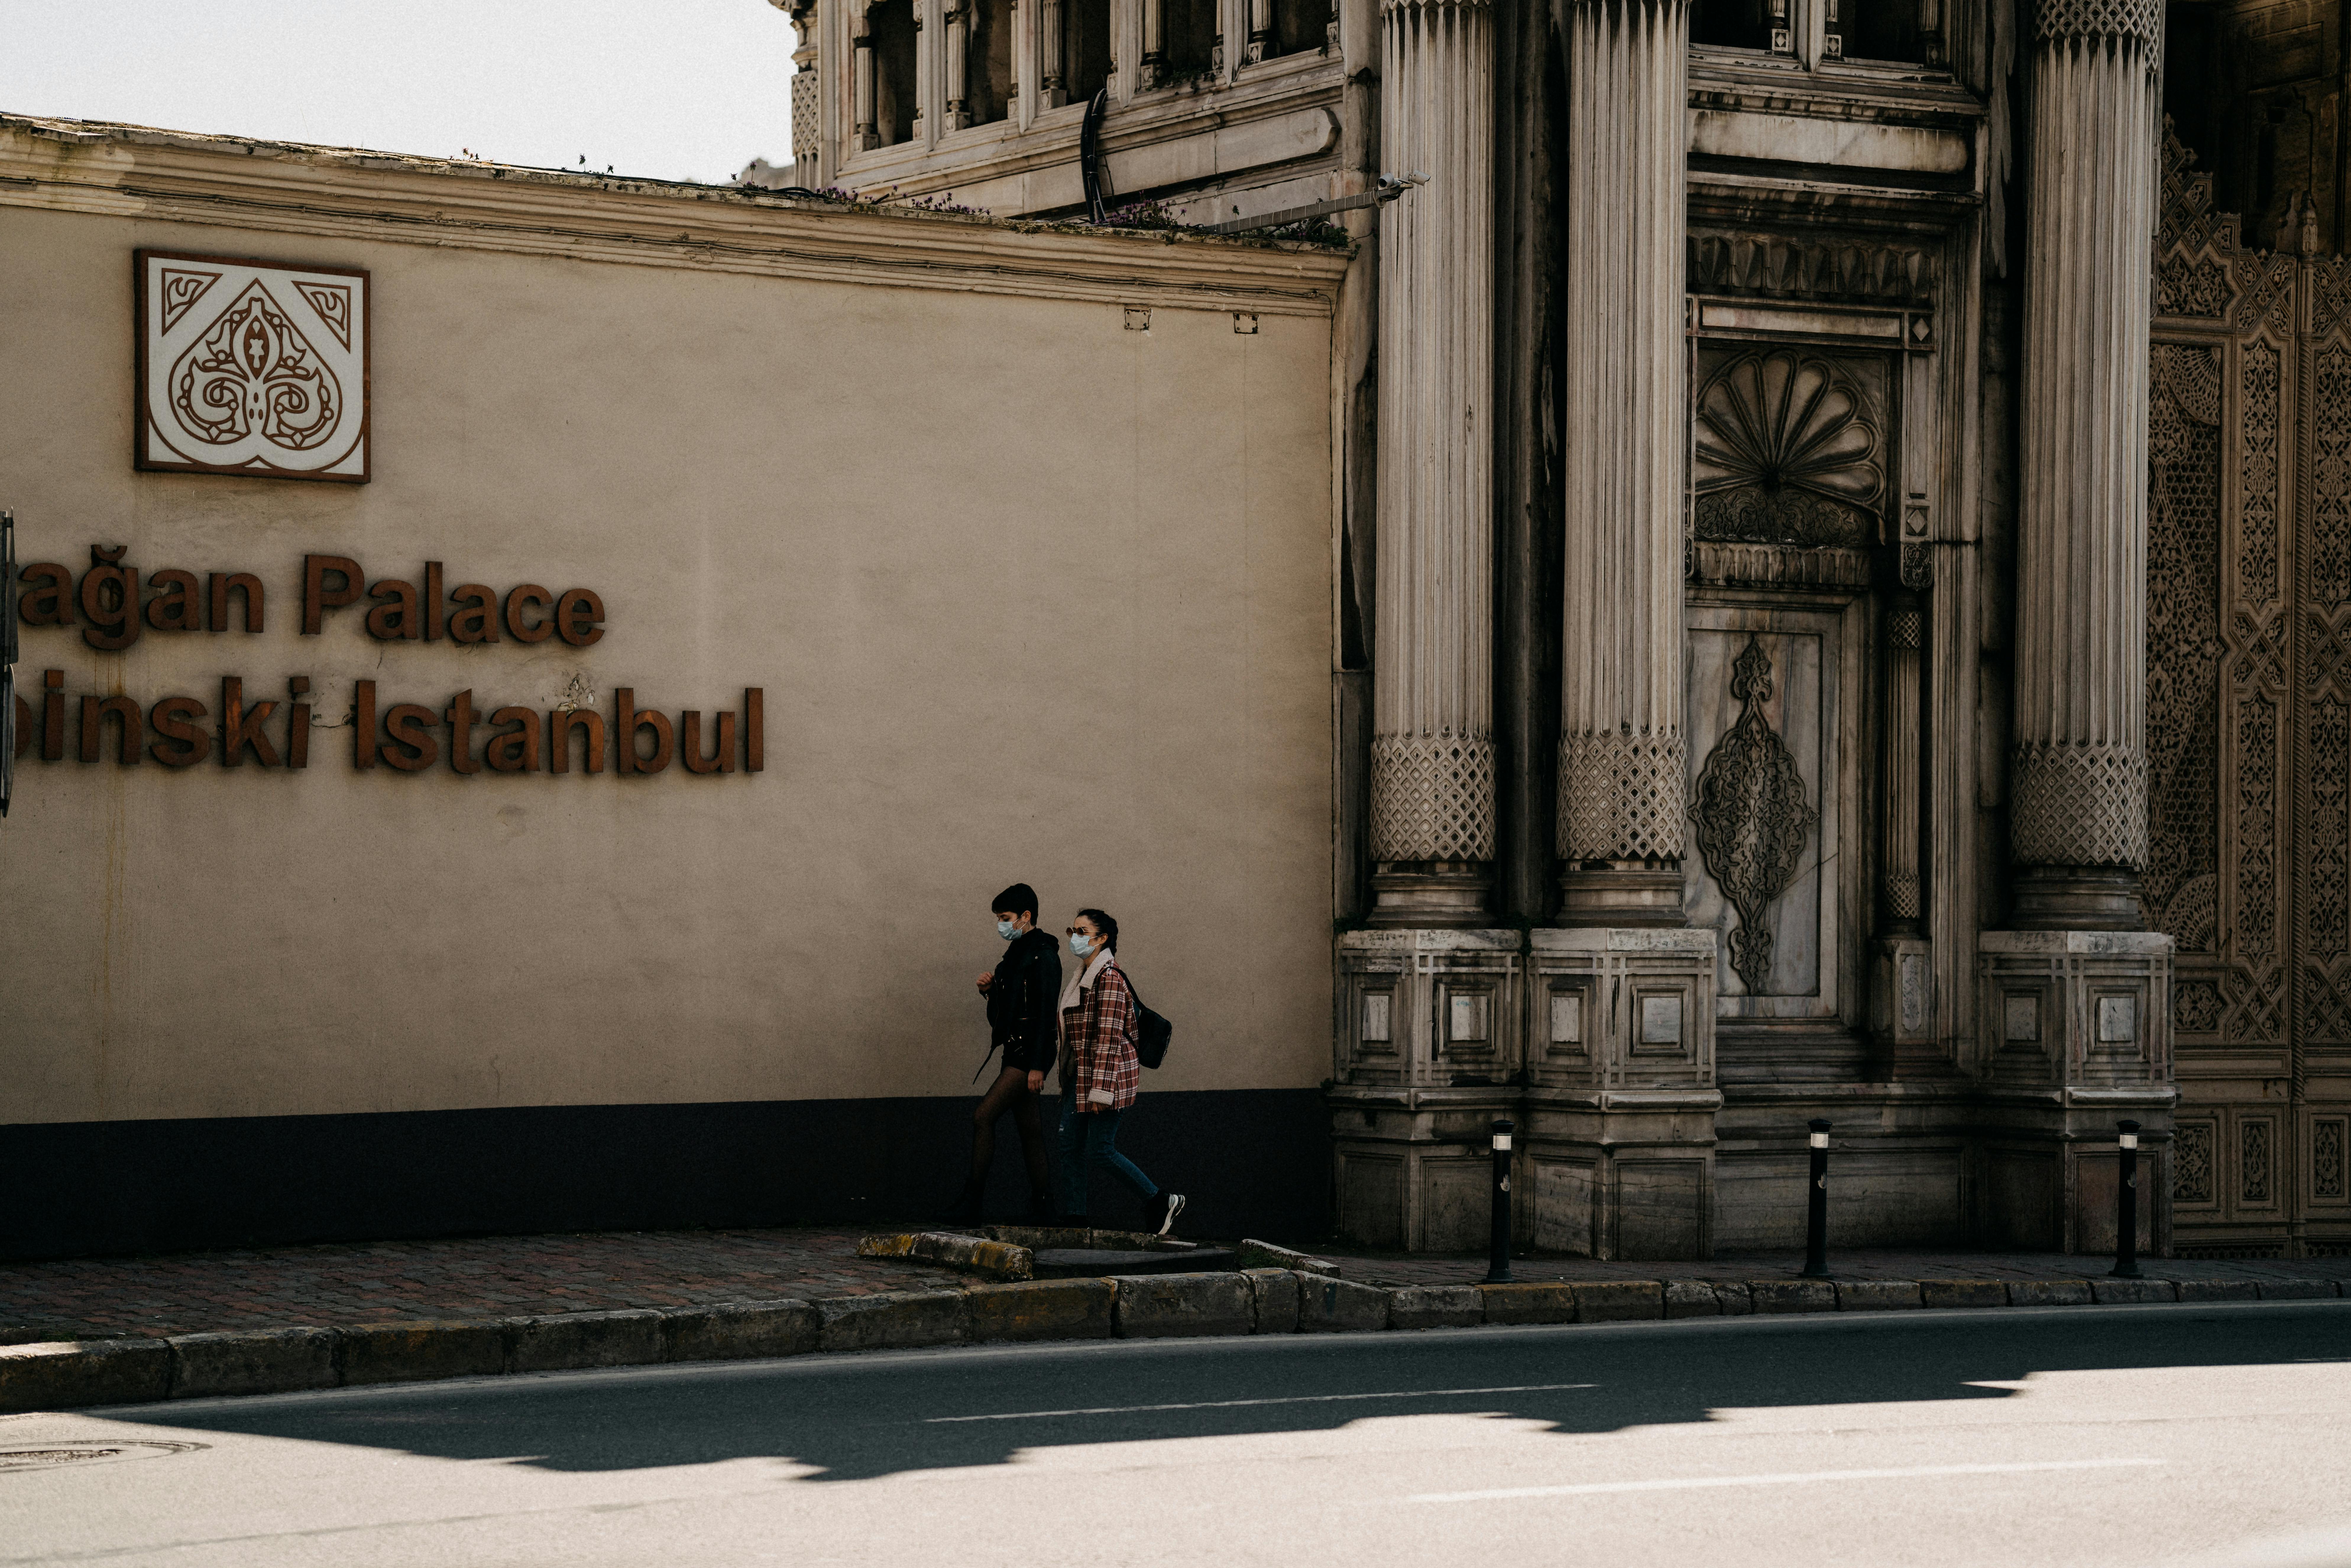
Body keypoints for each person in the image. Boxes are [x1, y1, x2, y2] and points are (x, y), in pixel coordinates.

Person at [1056, 907, 1184, 1235]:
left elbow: (1109, 1038)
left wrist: (1100, 1091)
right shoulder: (1083, 977)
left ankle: (1159, 1200)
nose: (1075, 938)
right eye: (1073, 931)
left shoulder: (1108, 978)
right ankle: (1075, 1218)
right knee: (1069, 1145)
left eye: (1083, 933)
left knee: (1099, 1149)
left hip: (1107, 1078)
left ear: (1101, 939)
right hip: (1080, 1076)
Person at [952, 882, 1060, 1224]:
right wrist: (989, 993)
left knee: (983, 1117)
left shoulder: (1044, 956)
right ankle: (1044, 1209)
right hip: (1013, 1053)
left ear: (1025, 917)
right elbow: (1001, 1020)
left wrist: (1039, 1067)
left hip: (1026, 1058)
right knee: (1030, 1132)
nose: (1001, 924)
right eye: (999, 918)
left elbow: (1046, 1015)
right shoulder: (1012, 959)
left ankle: (971, 1206)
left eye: (1005, 918)